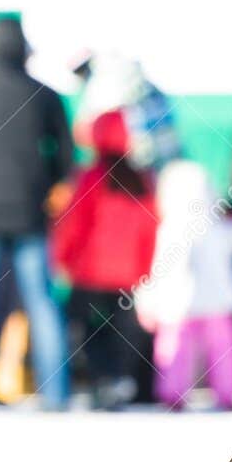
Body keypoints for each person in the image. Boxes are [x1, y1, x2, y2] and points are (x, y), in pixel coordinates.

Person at [0, 16, 71, 408]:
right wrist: (48, 191)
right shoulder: (44, 95)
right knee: (41, 301)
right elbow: (64, 159)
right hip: (30, 214)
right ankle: (57, 395)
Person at [50, 110, 158, 408]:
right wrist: (145, 268)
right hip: (127, 275)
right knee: (123, 332)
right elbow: (150, 227)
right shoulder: (141, 179)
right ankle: (119, 379)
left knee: (84, 328)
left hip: (90, 272)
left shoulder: (90, 177)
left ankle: (100, 380)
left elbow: (73, 223)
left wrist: (62, 258)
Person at [136, 160, 232, 411]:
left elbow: (158, 270)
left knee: (174, 350)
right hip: (218, 302)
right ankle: (228, 393)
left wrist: (149, 300)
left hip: (178, 304)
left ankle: (171, 393)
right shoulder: (217, 226)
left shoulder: (169, 228)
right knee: (224, 351)